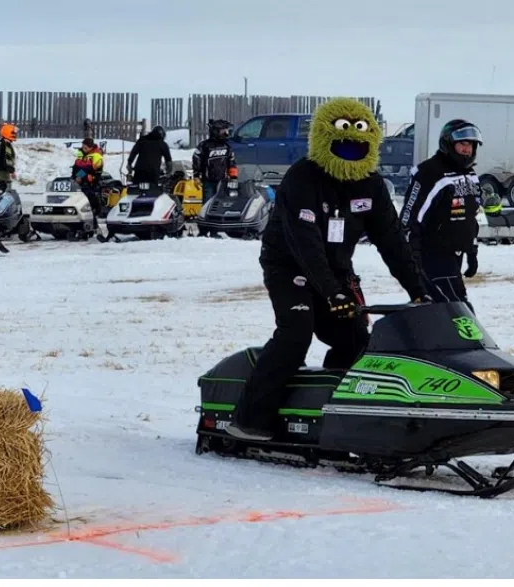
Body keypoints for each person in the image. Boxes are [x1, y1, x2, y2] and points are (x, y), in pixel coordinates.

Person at [226, 97, 431, 442]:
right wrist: (331, 292)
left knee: (355, 339)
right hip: (289, 265)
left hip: (335, 269)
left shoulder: (371, 185)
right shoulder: (303, 178)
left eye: (359, 140)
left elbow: (393, 241)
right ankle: (249, 419)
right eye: (342, 140)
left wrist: (419, 290)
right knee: (296, 333)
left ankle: (332, 409)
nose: (351, 147)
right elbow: (303, 241)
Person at [399, 119, 483, 312]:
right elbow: (410, 218)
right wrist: (413, 259)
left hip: (455, 256)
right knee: (458, 309)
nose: (466, 149)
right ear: (449, 144)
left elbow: (471, 218)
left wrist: (472, 252)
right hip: (432, 256)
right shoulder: (430, 173)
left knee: (439, 309)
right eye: (462, 144)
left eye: (470, 145)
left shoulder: (470, 175)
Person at [192, 119, 238, 203]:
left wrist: (233, 177)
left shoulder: (227, 146)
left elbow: (232, 162)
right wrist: (196, 176)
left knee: (222, 203)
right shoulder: (204, 146)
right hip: (208, 182)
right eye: (223, 131)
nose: (226, 133)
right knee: (208, 203)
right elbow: (196, 159)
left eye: (226, 130)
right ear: (215, 131)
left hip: (223, 182)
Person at [71, 138, 105, 226]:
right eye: (82, 147)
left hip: (91, 182)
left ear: (91, 147)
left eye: (85, 147)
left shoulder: (96, 156)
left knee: (90, 200)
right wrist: (78, 176)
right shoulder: (80, 155)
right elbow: (75, 169)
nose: (83, 148)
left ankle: (93, 222)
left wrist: (82, 176)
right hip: (79, 181)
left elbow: (94, 172)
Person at [0, 123, 18, 190]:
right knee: (5, 190)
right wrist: (12, 171)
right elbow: (8, 159)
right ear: (8, 133)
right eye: (13, 132)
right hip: (3, 173)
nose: (15, 134)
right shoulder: (6, 145)